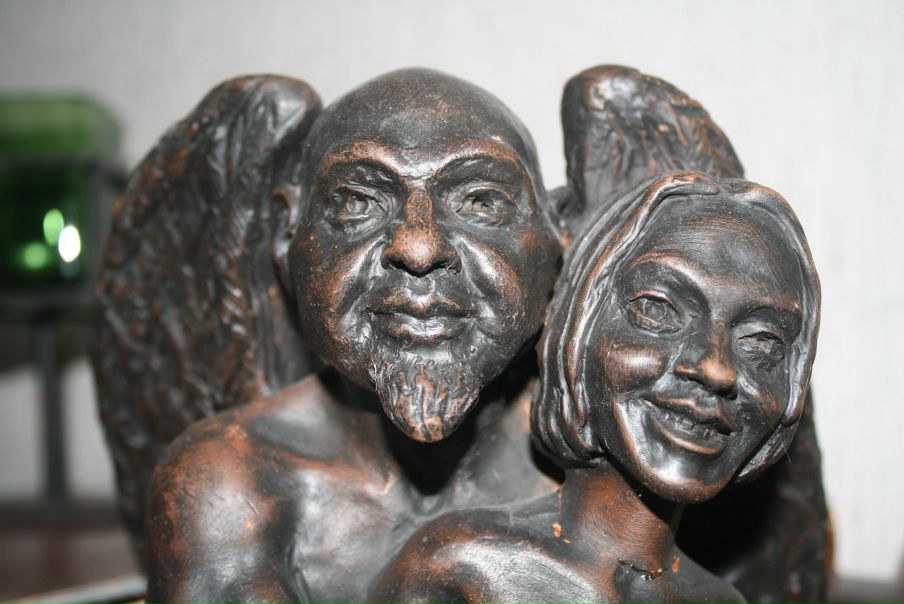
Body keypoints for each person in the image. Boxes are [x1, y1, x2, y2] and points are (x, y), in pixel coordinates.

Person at [144, 68, 563, 604]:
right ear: (286, 235)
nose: (418, 247)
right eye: (357, 202)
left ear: (560, 234)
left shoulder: (610, 466)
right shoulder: (231, 487)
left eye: (480, 201)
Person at [369, 172, 821, 603]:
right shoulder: (462, 571)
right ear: (581, 327)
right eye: (658, 310)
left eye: (761, 342)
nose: (717, 369)